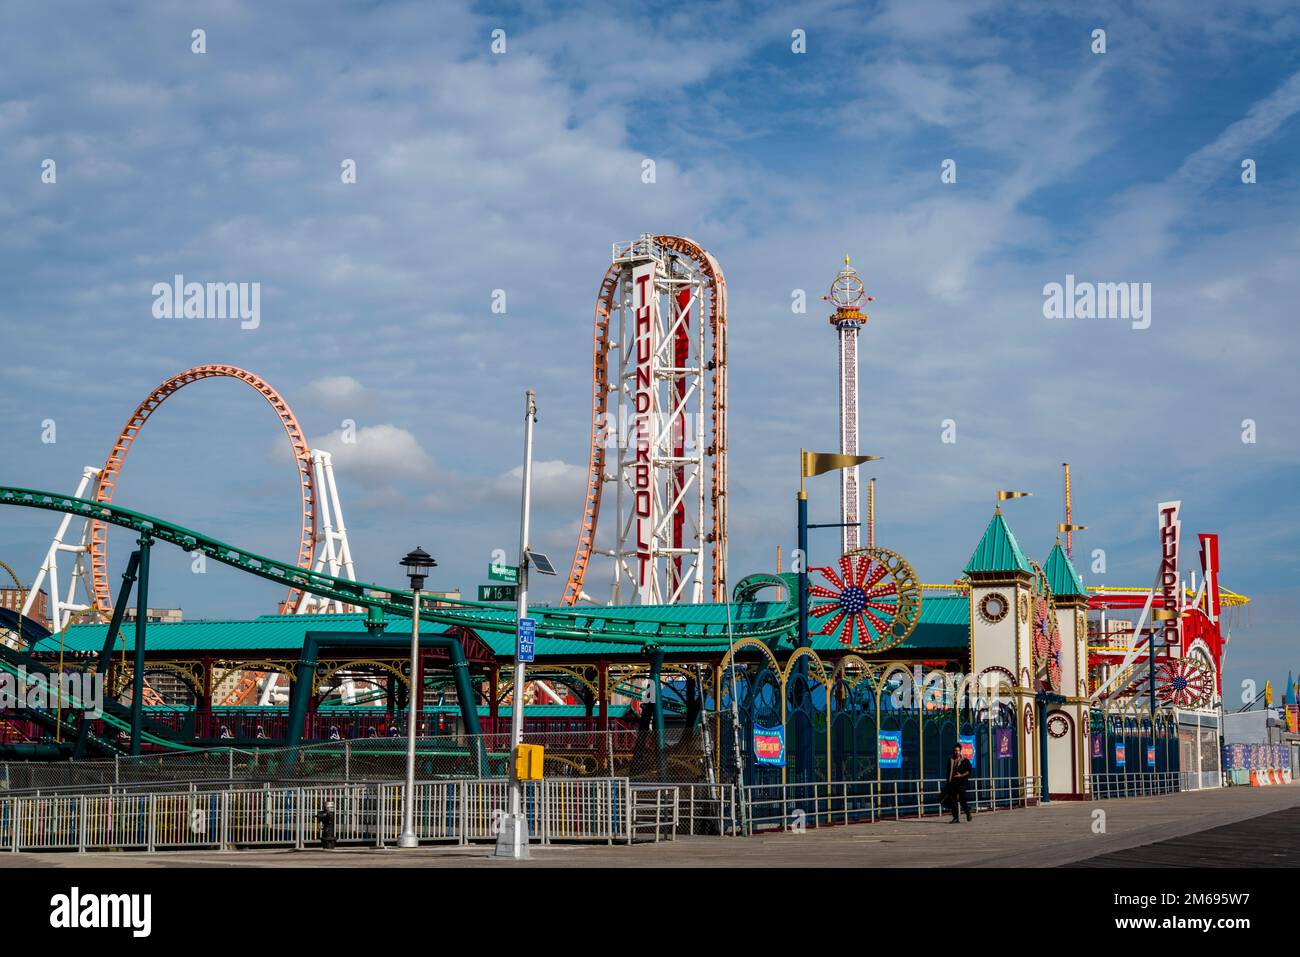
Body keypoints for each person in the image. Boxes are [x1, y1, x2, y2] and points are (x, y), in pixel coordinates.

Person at [943, 744, 972, 823]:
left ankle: (968, 812)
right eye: (955, 750)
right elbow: (948, 771)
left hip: (961, 783)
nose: (956, 752)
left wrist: (961, 775)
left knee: (962, 799)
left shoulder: (965, 761)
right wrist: (948, 781)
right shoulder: (950, 760)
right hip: (952, 783)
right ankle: (955, 817)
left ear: (960, 751)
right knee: (953, 801)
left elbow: (969, 771)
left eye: (958, 750)